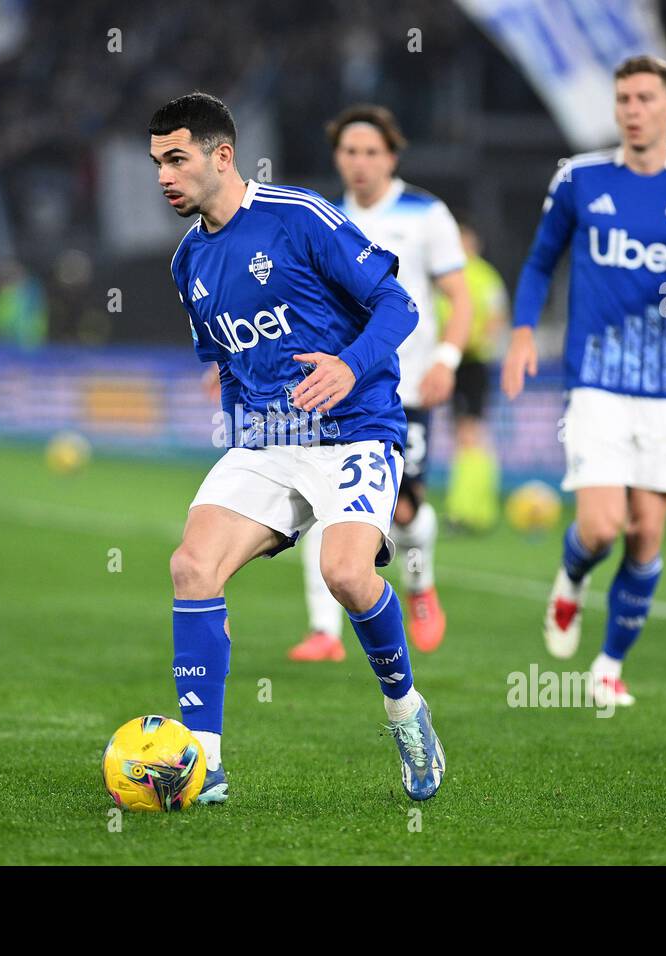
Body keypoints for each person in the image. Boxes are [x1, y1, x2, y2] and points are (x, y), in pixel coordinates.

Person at [152, 92, 445, 802]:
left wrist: (347, 365)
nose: (163, 175)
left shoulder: (298, 215)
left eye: (176, 159)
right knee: (192, 565)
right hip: (269, 442)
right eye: (157, 161)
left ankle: (406, 712)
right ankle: (204, 762)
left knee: (347, 574)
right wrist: (236, 439)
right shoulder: (189, 262)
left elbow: (398, 305)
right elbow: (226, 363)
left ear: (222, 156)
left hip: (354, 429)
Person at [502, 55, 666, 706]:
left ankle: (607, 668)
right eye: (623, 97)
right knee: (602, 527)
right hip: (595, 378)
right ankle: (571, 578)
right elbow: (541, 261)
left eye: (646, 97)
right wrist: (521, 330)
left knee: (647, 534)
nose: (632, 108)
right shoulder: (580, 178)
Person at [289, 104, 472, 664]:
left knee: (404, 511)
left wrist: (447, 357)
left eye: (371, 152)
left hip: (408, 386)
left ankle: (418, 582)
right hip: (337, 387)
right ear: (337, 157)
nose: (360, 163)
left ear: (391, 156)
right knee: (322, 499)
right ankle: (325, 630)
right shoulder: (323, 219)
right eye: (350, 152)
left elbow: (458, 295)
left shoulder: (426, 214)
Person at [439, 222, 507, 533]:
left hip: (473, 363)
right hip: (452, 362)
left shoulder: (483, 275)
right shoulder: (445, 275)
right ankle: (474, 509)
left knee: (470, 433)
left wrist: (477, 341)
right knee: (465, 436)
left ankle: (470, 511)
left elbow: (496, 317)